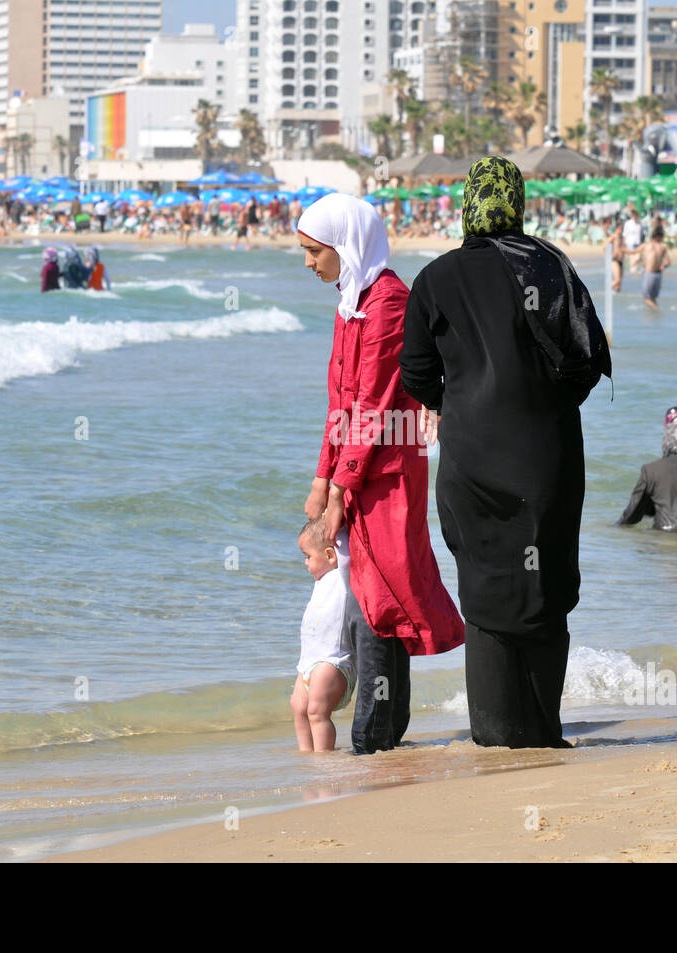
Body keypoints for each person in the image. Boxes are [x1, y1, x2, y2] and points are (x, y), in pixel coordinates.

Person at [401, 156, 611, 749]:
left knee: (486, 593)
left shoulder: (436, 279)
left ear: (468, 203)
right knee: (545, 591)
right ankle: (544, 734)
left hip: (471, 464)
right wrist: (547, 402)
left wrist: (458, 401)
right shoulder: (549, 267)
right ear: (518, 203)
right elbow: (588, 357)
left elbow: (415, 372)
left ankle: (495, 735)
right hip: (549, 461)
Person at [297, 192, 465, 754]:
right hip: (356, 470)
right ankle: (378, 734)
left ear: (345, 244)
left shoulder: (389, 302)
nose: (308, 263)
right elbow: (338, 403)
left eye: (313, 251)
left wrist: (341, 488)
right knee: (370, 599)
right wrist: (323, 479)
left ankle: (375, 738)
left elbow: (372, 408)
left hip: (388, 472)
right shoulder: (352, 301)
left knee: (381, 602)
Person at [291, 517, 356, 751]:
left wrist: (332, 508)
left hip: (333, 661)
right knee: (298, 707)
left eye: (308, 556)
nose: (306, 563)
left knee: (317, 712)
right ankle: (306, 755)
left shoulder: (341, 576)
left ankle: (323, 758)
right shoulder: (320, 580)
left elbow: (343, 544)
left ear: (330, 555)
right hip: (307, 664)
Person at [635, 224, 670, 308]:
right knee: (653, 298)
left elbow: (634, 252)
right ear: (659, 237)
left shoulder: (647, 245)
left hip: (650, 274)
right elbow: (668, 262)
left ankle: (657, 309)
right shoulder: (662, 247)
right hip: (659, 275)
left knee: (645, 298)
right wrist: (663, 266)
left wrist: (623, 250)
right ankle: (655, 317)